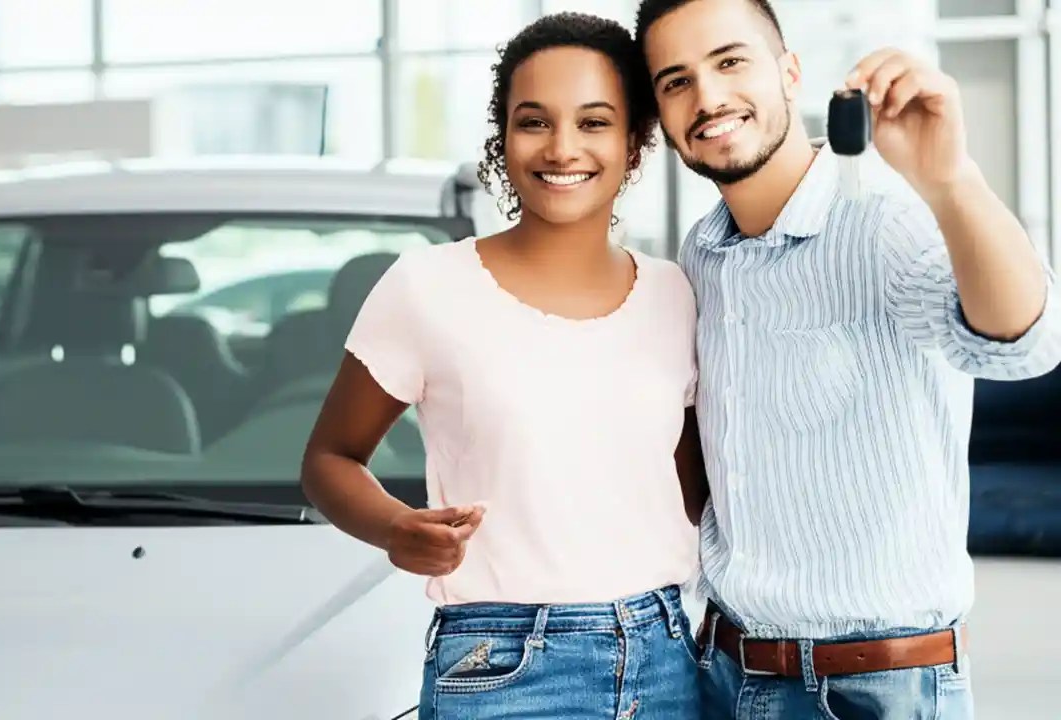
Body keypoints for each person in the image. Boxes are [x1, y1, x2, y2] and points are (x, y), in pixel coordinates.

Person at [633, 0, 1061, 717]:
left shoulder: (886, 219)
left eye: (730, 61)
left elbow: (1026, 343)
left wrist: (951, 180)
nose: (707, 97)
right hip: (727, 672)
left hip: (875, 690)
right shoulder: (703, 252)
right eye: (676, 81)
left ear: (790, 73)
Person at [301, 12, 705, 720]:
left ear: (635, 140)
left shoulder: (675, 293)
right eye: (534, 121)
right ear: (503, 136)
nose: (562, 147)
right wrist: (396, 528)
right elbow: (328, 460)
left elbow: (698, 493)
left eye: (594, 121)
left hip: (666, 657)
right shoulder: (427, 286)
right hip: (502, 667)